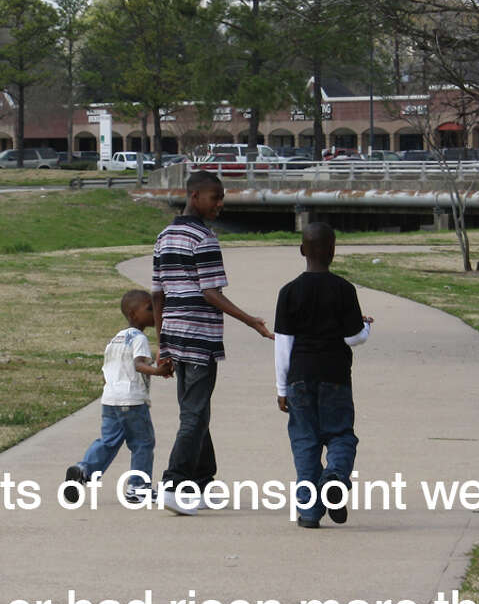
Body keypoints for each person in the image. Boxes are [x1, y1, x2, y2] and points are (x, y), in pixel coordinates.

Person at [151, 169, 273, 514]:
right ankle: (174, 484)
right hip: (199, 337)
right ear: (194, 197)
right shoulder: (204, 239)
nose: (220, 204)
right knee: (194, 415)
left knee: (194, 412)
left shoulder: (163, 236)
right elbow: (209, 292)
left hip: (175, 335)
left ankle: (203, 482)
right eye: (214, 197)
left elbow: (157, 295)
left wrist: (162, 343)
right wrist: (252, 322)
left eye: (221, 198)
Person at [273, 221, 373, 528]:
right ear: (333, 251)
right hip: (336, 376)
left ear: (302, 250)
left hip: (300, 378)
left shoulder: (288, 292)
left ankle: (309, 512)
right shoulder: (344, 289)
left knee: (305, 442)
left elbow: (283, 344)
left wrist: (281, 388)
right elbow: (354, 337)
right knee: (341, 433)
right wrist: (366, 325)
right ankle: (335, 477)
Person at [62, 289, 173, 506]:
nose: (155, 313)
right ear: (133, 314)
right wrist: (159, 371)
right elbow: (138, 365)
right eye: (150, 309)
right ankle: (138, 488)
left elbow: (113, 369)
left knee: (108, 441)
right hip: (131, 401)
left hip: (110, 400)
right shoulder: (139, 338)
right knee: (142, 442)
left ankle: (83, 469)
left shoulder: (114, 340)